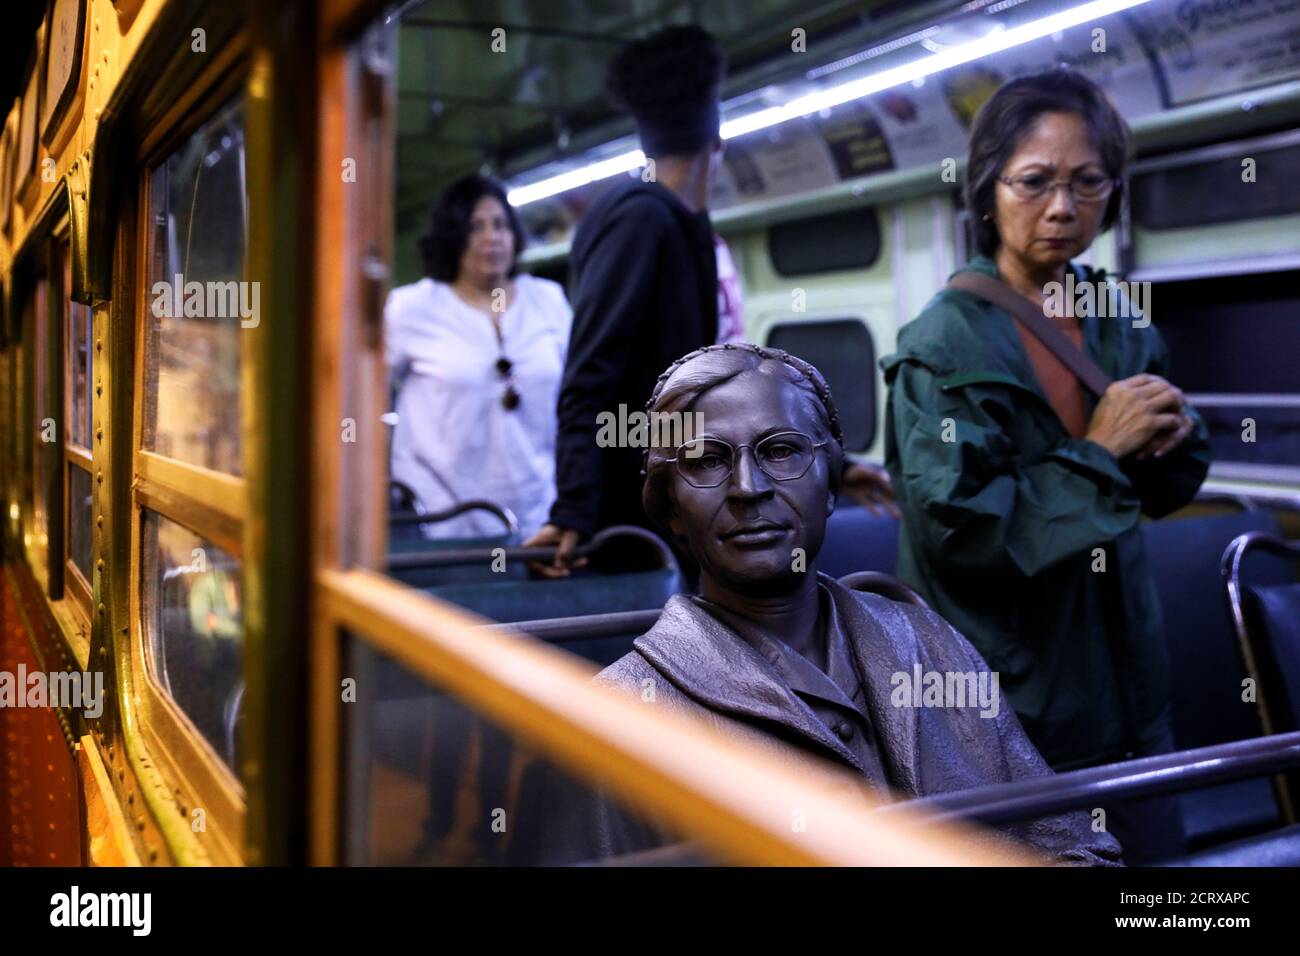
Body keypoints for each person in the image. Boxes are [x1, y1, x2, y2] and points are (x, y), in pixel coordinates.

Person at [542, 343, 1122, 866]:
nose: (748, 488)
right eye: (706, 461)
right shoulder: (617, 720)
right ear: (670, 509)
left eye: (782, 451)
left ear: (830, 483)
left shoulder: (925, 638)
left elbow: (1075, 846)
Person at [880, 69, 1210, 862]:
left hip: (1132, 689)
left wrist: (1176, 434)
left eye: (1087, 182)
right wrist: (1100, 453)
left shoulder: (1114, 316)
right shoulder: (943, 345)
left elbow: (1165, 487)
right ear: (989, 190)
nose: (1062, 208)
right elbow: (966, 534)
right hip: (1011, 707)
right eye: (1034, 183)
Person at [525, 25, 727, 574]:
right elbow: (589, 375)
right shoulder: (639, 219)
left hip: (672, 500)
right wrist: (575, 509)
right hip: (628, 518)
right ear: (718, 133)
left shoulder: (689, 227)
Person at [384, 174, 572, 539]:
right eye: (475, 227)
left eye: (501, 225)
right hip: (441, 521)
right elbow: (358, 393)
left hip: (538, 513)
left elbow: (578, 397)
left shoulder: (548, 301)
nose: (492, 238)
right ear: (453, 238)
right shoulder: (413, 308)